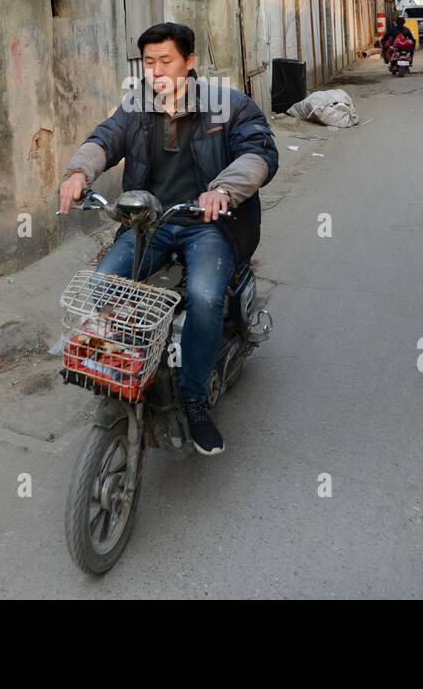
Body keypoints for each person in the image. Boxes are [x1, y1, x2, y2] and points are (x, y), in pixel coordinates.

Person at [58, 22, 279, 455]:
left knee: (205, 295)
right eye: (149, 62)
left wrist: (223, 190)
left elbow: (260, 153)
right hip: (152, 223)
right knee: (102, 285)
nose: (156, 71)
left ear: (189, 62)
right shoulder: (138, 107)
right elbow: (105, 138)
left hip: (209, 225)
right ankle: (131, 365)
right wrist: (79, 171)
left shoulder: (227, 106)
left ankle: (194, 397)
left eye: (166, 61)